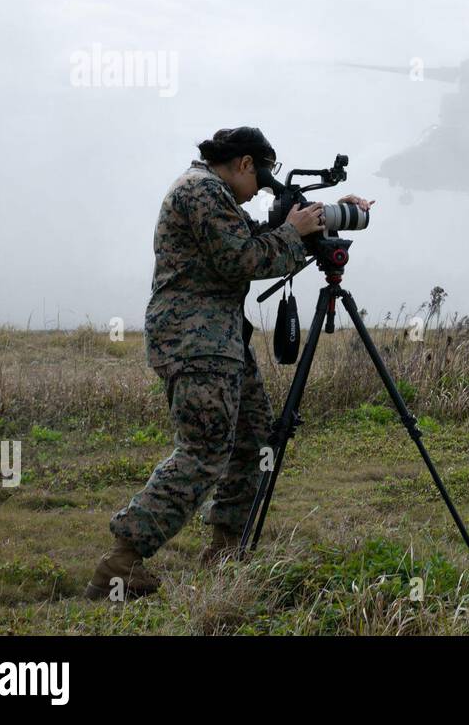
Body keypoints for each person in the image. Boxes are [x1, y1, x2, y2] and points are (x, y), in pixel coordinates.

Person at [84, 127, 373, 601]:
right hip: (196, 342)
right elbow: (242, 258)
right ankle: (121, 563)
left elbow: (250, 240)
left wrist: (322, 216)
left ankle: (226, 553)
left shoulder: (212, 194)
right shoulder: (200, 191)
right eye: (261, 176)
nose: (261, 187)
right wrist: (293, 233)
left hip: (220, 342)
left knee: (254, 441)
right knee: (203, 452)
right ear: (243, 163)